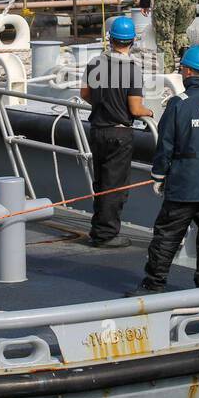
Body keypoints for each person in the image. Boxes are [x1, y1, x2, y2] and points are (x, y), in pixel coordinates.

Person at [128, 45, 199, 296]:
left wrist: (158, 175)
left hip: (183, 183)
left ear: (187, 70)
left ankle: (154, 284)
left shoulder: (178, 104)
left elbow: (166, 144)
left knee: (167, 236)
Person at [80, 16, 154, 248]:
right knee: (115, 187)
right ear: (132, 41)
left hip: (98, 129)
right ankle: (106, 235)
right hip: (120, 133)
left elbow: (84, 94)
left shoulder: (95, 63)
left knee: (101, 182)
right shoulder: (132, 69)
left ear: (110, 39)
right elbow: (135, 108)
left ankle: (98, 229)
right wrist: (150, 112)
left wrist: (104, 104)